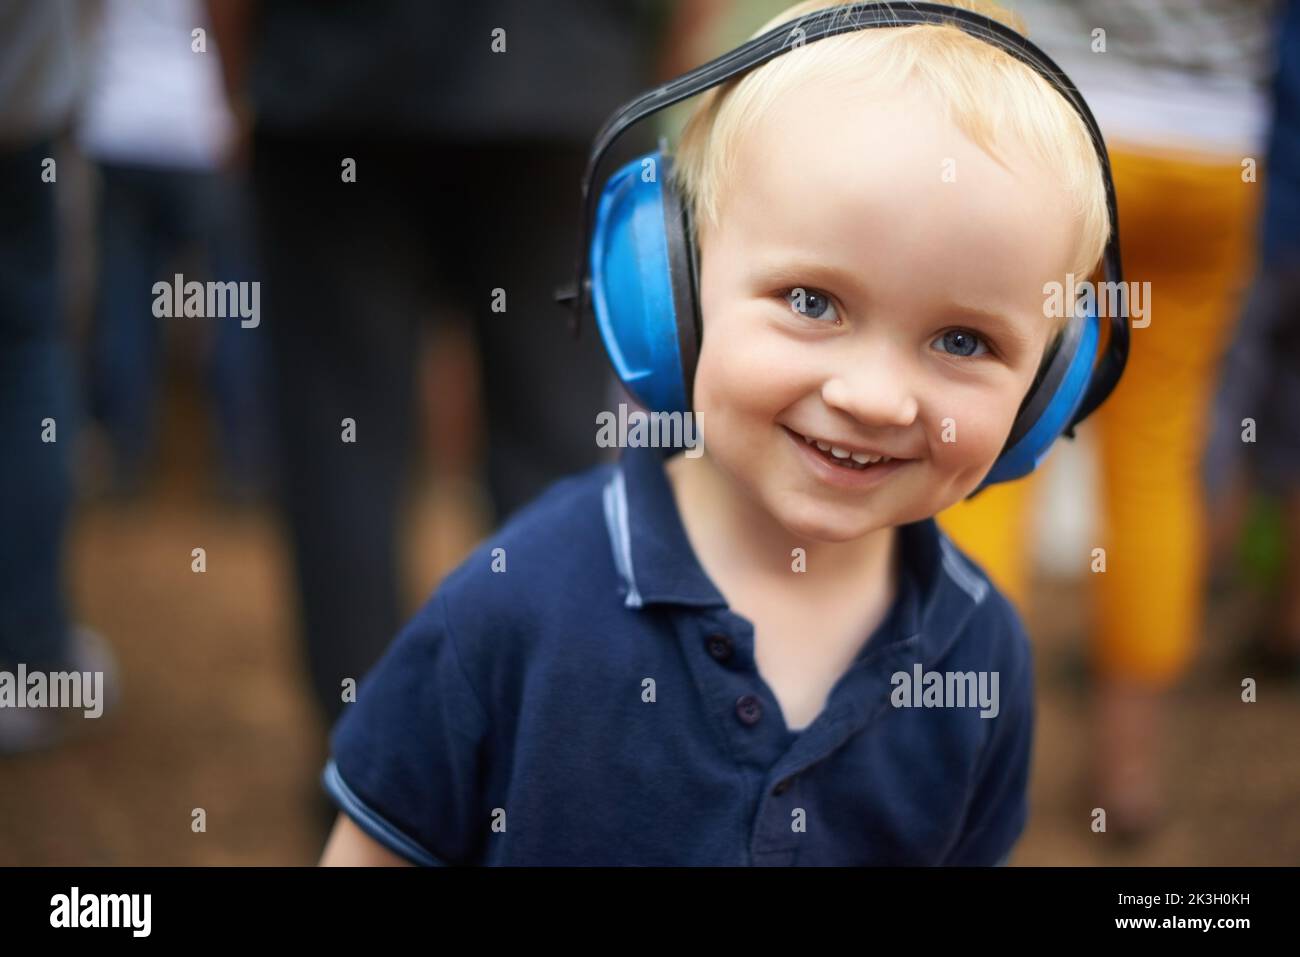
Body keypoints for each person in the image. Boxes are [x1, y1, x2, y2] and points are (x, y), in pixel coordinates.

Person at [317, 0, 1117, 865]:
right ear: (673, 292)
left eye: (964, 341)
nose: (877, 398)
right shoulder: (514, 607)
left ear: (1047, 387)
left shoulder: (984, 655)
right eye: (812, 301)